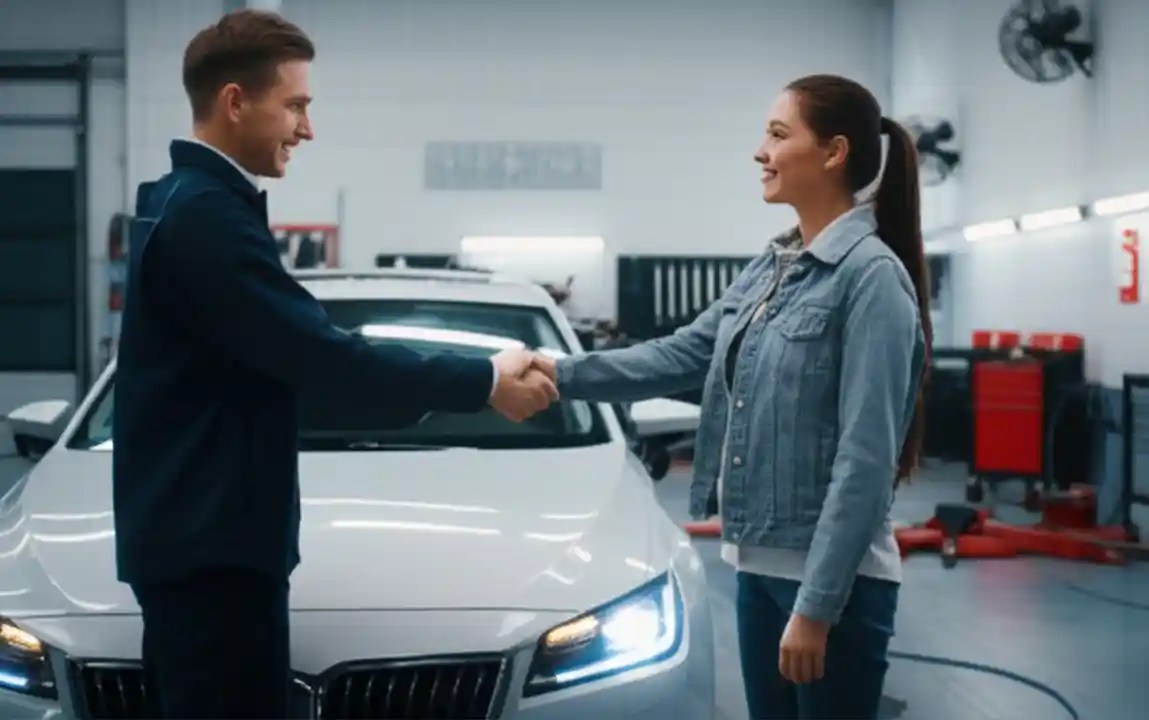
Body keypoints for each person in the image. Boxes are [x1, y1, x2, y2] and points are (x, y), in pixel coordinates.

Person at [111, 9, 557, 718]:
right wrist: (485, 380)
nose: (307, 129)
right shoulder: (207, 218)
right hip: (214, 554)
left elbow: (285, 363)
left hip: (194, 541)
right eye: (296, 105)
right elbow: (323, 359)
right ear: (235, 101)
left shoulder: (181, 204)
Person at [542, 74, 931, 719]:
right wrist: (559, 374)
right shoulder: (772, 268)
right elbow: (681, 353)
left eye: (778, 135)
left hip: (834, 586)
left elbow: (865, 463)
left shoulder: (871, 281)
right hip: (757, 570)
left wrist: (816, 607)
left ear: (833, 153)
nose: (760, 152)